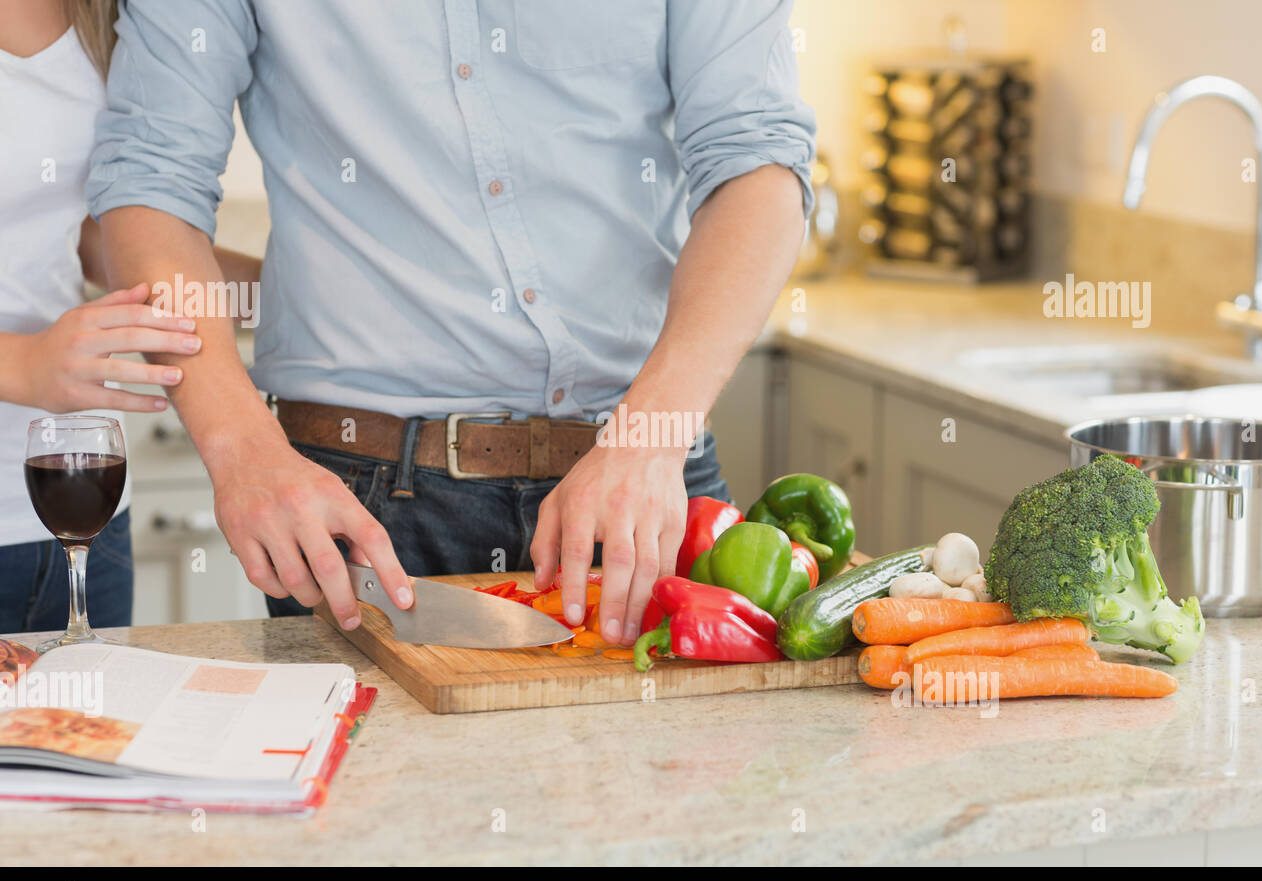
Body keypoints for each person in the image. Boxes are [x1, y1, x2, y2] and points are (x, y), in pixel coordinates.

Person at [89, 0, 815, 645]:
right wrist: (242, 450)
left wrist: (649, 441)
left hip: (649, 476)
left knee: (674, 796)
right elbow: (150, 187)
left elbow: (759, 169)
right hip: (363, 505)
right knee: (377, 798)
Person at [0, 0, 258, 632]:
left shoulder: (107, 15)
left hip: (78, 499)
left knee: (90, 725)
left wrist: (265, 289)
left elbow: (84, 230)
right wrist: (21, 364)